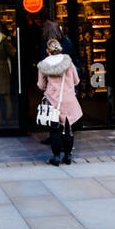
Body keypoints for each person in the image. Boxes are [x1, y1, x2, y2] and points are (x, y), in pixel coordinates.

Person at [37, 37, 82, 166]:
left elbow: (41, 85)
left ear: (47, 51)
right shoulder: (68, 62)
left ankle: (56, 157)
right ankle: (68, 156)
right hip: (68, 99)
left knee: (54, 130)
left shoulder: (43, 65)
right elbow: (76, 81)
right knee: (68, 129)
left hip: (53, 100)